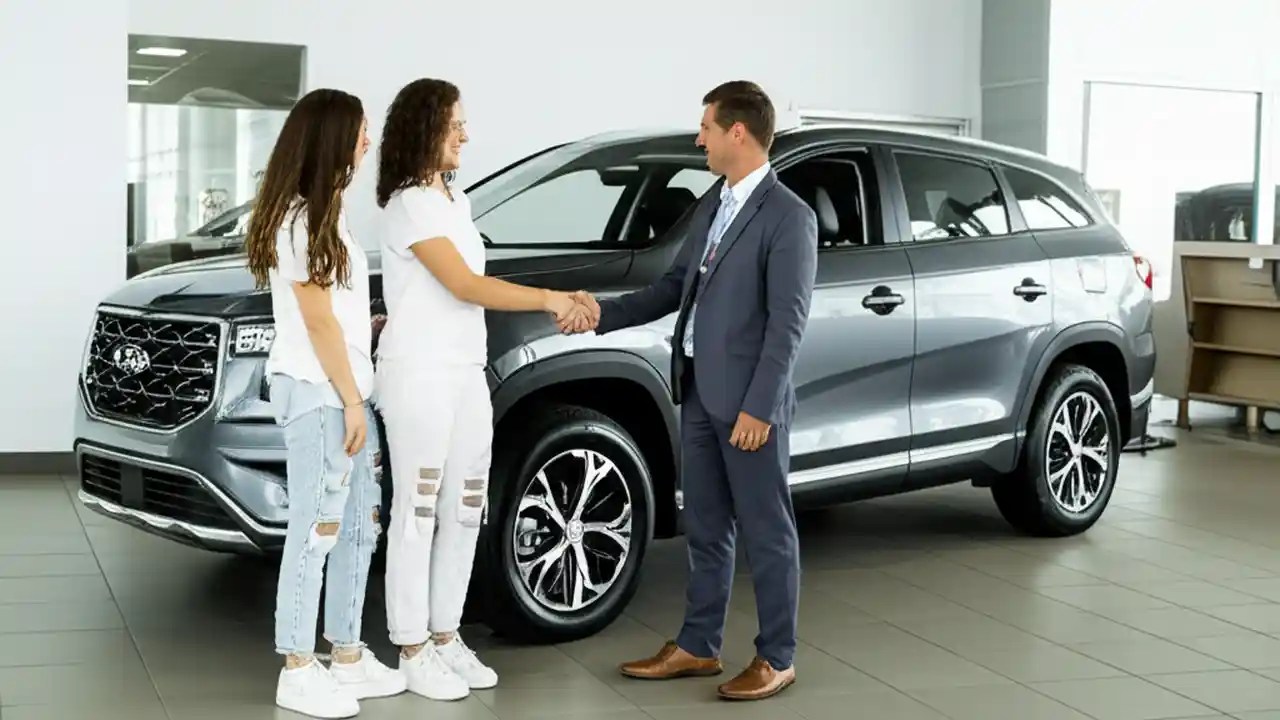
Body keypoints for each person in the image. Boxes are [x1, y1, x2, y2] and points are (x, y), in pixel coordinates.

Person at [567, 80, 817, 701]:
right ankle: (699, 646)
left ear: (738, 132)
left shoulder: (789, 216)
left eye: (705, 126)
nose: (698, 136)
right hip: (700, 394)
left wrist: (760, 405)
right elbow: (672, 288)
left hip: (748, 404)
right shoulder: (715, 202)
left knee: (767, 532)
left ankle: (777, 657)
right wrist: (595, 312)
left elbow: (788, 323)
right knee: (706, 526)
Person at [372, 77, 595, 702]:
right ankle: (410, 644)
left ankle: (446, 636)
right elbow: (465, 285)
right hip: (419, 372)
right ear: (425, 129)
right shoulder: (409, 202)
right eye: (455, 125)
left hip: (465, 370)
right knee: (415, 512)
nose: (466, 135)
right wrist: (554, 300)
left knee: (467, 505)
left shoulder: (454, 198)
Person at [245, 88, 407, 719]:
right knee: (317, 528)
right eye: (361, 130)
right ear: (334, 137)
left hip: (342, 388)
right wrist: (352, 401)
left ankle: (345, 652)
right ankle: (296, 664)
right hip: (321, 394)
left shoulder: (330, 214)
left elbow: (333, 313)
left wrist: (370, 331)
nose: (368, 140)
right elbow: (315, 325)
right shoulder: (299, 218)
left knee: (360, 526)